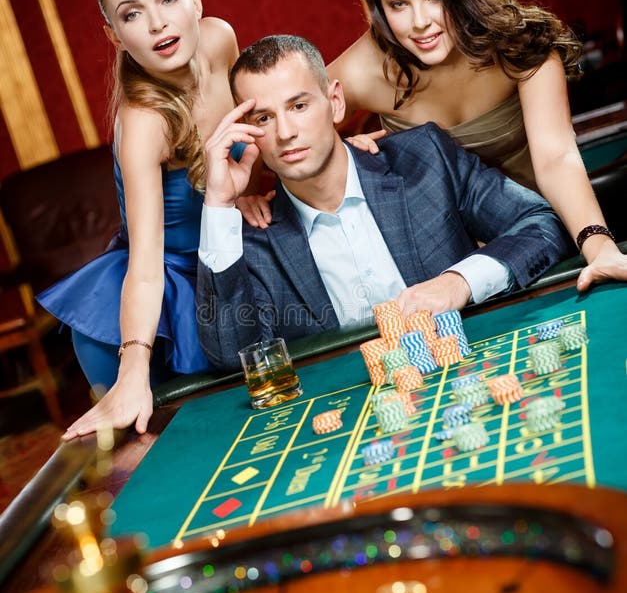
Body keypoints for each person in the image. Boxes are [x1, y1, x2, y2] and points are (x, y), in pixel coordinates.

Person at [195, 34, 570, 372]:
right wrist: (218, 203)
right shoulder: (251, 238)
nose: (286, 132)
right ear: (250, 133)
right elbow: (233, 357)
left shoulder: (425, 161)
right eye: (264, 117)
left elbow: (541, 223)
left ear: (335, 102)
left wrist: (458, 283)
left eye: (299, 106)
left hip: (472, 371)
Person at [326, 0, 627, 292]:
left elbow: (556, 158)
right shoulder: (361, 70)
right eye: (398, 4)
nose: (419, 22)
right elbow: (280, 125)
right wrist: (327, 159)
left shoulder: (521, 46)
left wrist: (598, 246)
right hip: (445, 272)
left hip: (547, 242)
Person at [37, 0, 257, 439]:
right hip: (159, 307)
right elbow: (144, 265)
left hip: (231, 259)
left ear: (196, 2)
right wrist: (132, 371)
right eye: (132, 14)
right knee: (165, 464)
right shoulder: (142, 123)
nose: (158, 24)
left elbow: (254, 131)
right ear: (114, 36)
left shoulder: (220, 40)